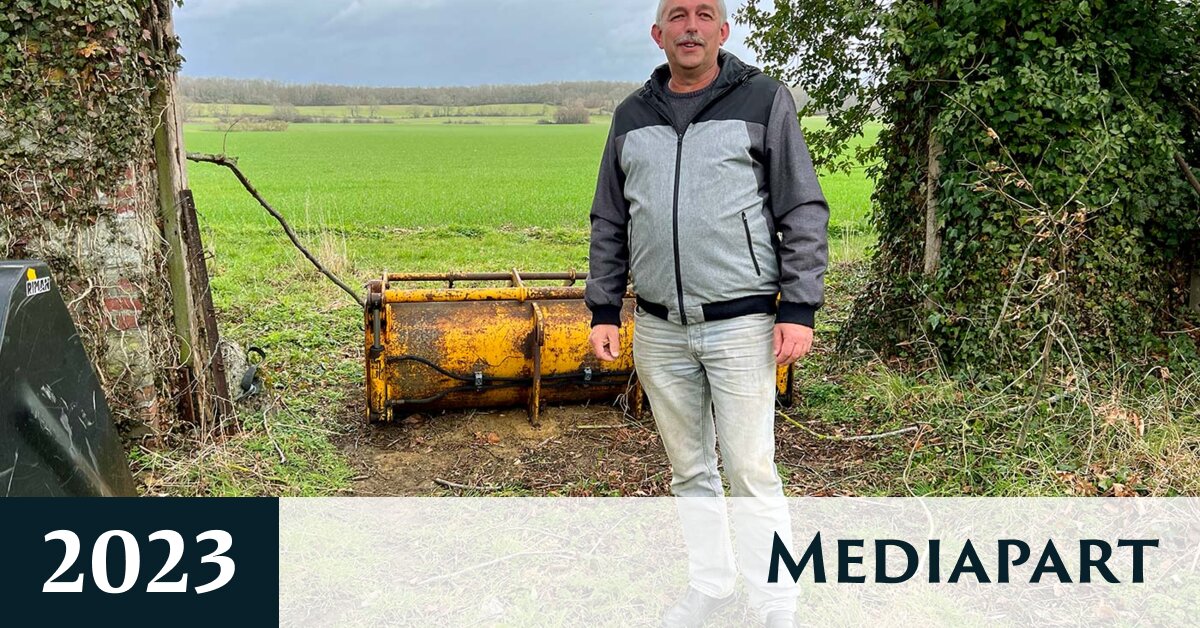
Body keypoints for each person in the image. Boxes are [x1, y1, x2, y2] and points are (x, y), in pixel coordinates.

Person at [584, 1, 829, 626]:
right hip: (661, 328)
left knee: (750, 471)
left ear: (723, 32)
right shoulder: (630, 117)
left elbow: (802, 209)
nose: (690, 26)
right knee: (690, 470)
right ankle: (713, 588)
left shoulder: (765, 101)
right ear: (658, 34)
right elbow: (611, 219)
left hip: (743, 324)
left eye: (704, 14)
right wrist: (604, 308)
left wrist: (797, 307)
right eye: (677, 15)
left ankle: (776, 602)